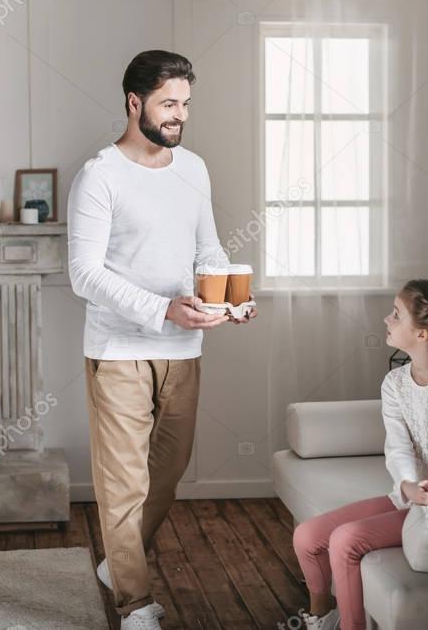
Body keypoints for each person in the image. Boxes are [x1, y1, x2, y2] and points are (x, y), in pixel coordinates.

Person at [67, 49, 257, 630]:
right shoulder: (99, 174)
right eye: (169, 103)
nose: (179, 115)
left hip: (184, 348)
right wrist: (162, 311)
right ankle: (134, 603)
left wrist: (228, 297)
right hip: (119, 350)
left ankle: (118, 565)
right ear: (134, 102)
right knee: (123, 484)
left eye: (185, 105)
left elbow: (208, 249)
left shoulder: (193, 169)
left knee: (167, 473)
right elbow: (85, 274)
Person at [292, 280, 428, 630]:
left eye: (396, 314)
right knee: (306, 537)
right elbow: (397, 446)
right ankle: (322, 618)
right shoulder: (394, 383)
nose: (386, 319)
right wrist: (408, 486)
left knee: (346, 540)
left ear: (423, 333)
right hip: (409, 495)